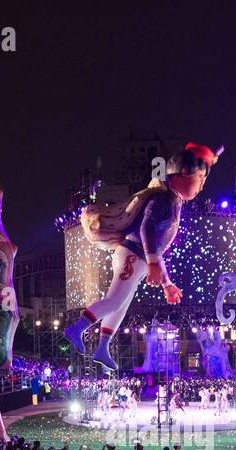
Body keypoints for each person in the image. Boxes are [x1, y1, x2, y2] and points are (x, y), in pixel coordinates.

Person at [65, 143, 222, 370]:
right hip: (132, 254)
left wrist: (167, 284)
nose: (201, 185)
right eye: (200, 178)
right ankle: (77, 328)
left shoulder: (173, 201)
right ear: (182, 175)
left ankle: (102, 346)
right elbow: (146, 228)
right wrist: (151, 262)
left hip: (138, 258)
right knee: (116, 300)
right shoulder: (164, 199)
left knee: (121, 305)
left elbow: (158, 250)